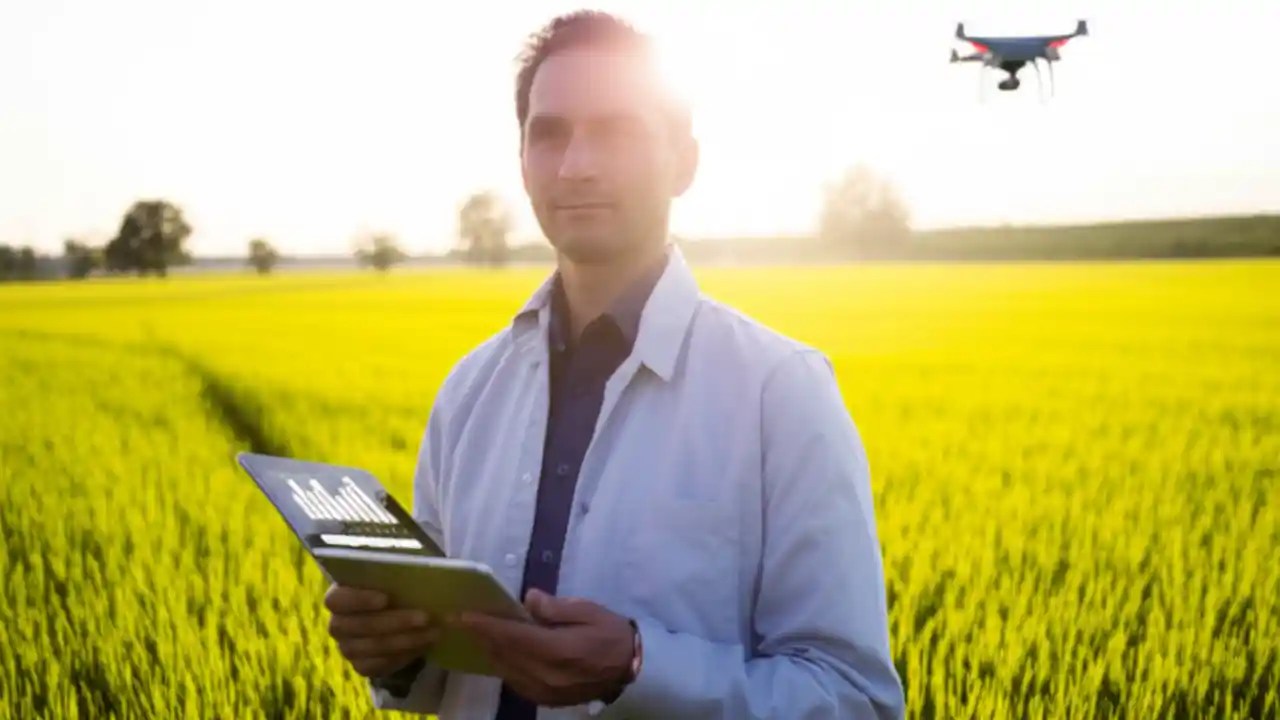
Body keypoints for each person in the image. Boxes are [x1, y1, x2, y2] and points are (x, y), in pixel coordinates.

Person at [323, 9, 904, 719]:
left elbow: (854, 698)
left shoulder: (779, 393)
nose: (576, 165)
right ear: (523, 162)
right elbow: (442, 673)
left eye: (615, 131)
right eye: (549, 134)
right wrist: (395, 652)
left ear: (684, 162)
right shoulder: (470, 389)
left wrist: (637, 665)